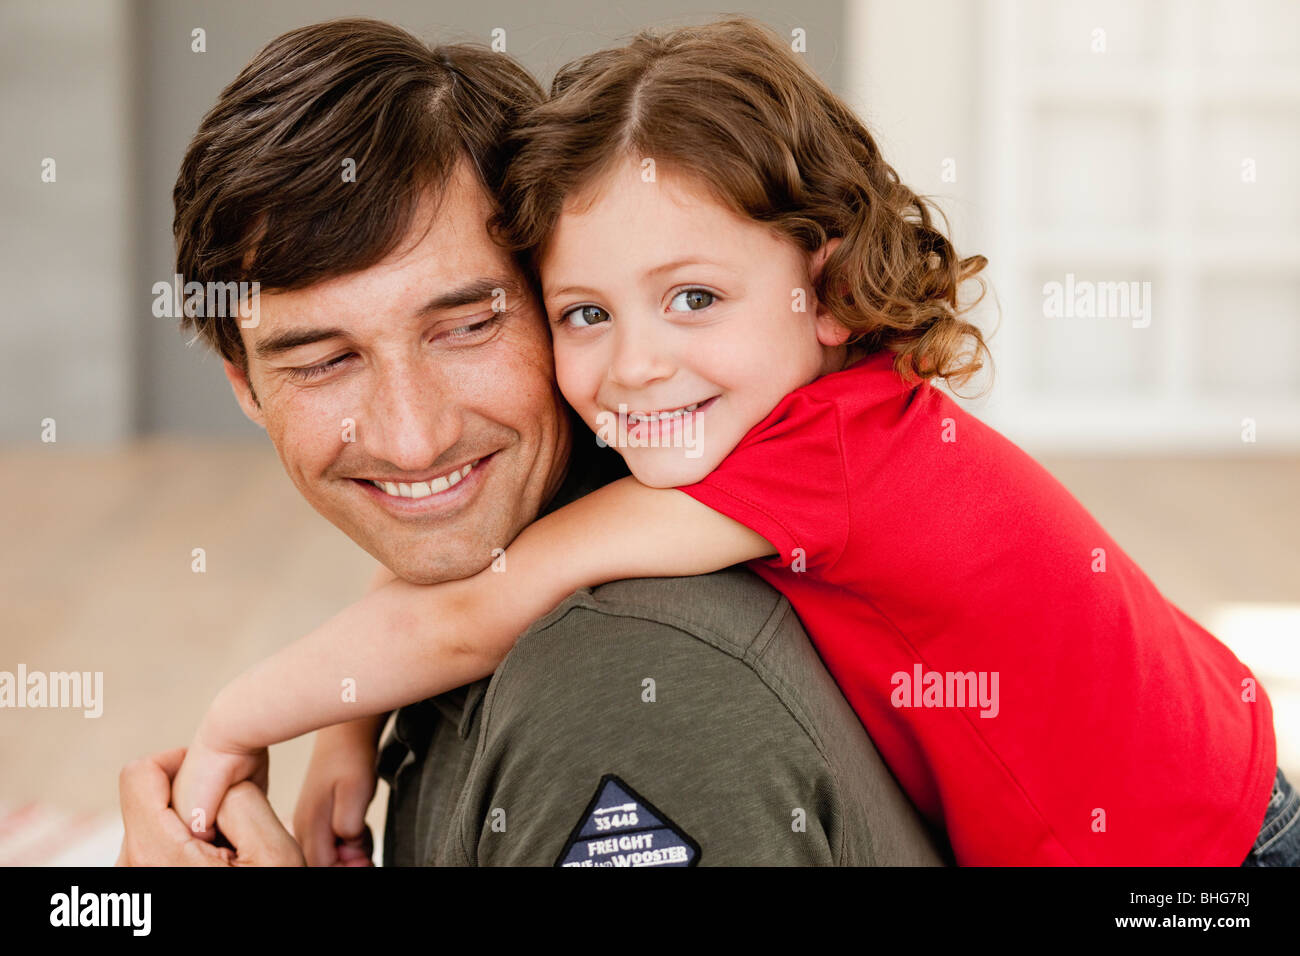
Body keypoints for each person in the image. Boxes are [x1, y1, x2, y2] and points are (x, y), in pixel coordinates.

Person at [169, 16, 1286, 867]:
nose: (641, 362)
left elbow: (469, 609)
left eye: (695, 296)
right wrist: (355, 716)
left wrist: (236, 718)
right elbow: (465, 572)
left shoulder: (807, 461)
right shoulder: (752, 418)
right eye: (587, 313)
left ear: (830, 284)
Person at [119, 17, 947, 868]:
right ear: (247, 389)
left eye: (469, 326)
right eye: (327, 362)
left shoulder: (626, 696)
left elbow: (468, 623)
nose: (413, 440)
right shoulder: (510, 564)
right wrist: (347, 713)